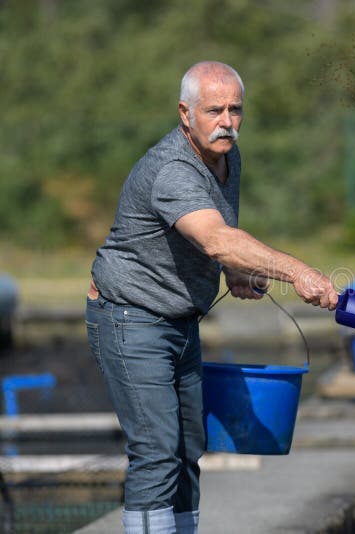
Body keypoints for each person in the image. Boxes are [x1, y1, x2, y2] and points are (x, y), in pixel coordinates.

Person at [85, 61, 338, 534]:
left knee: (188, 449)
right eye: (214, 110)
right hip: (130, 316)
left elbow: (214, 235)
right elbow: (218, 239)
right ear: (185, 114)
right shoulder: (172, 169)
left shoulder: (228, 157)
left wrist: (233, 270)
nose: (227, 122)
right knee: (156, 450)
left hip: (181, 319)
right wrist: (298, 272)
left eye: (235, 110)